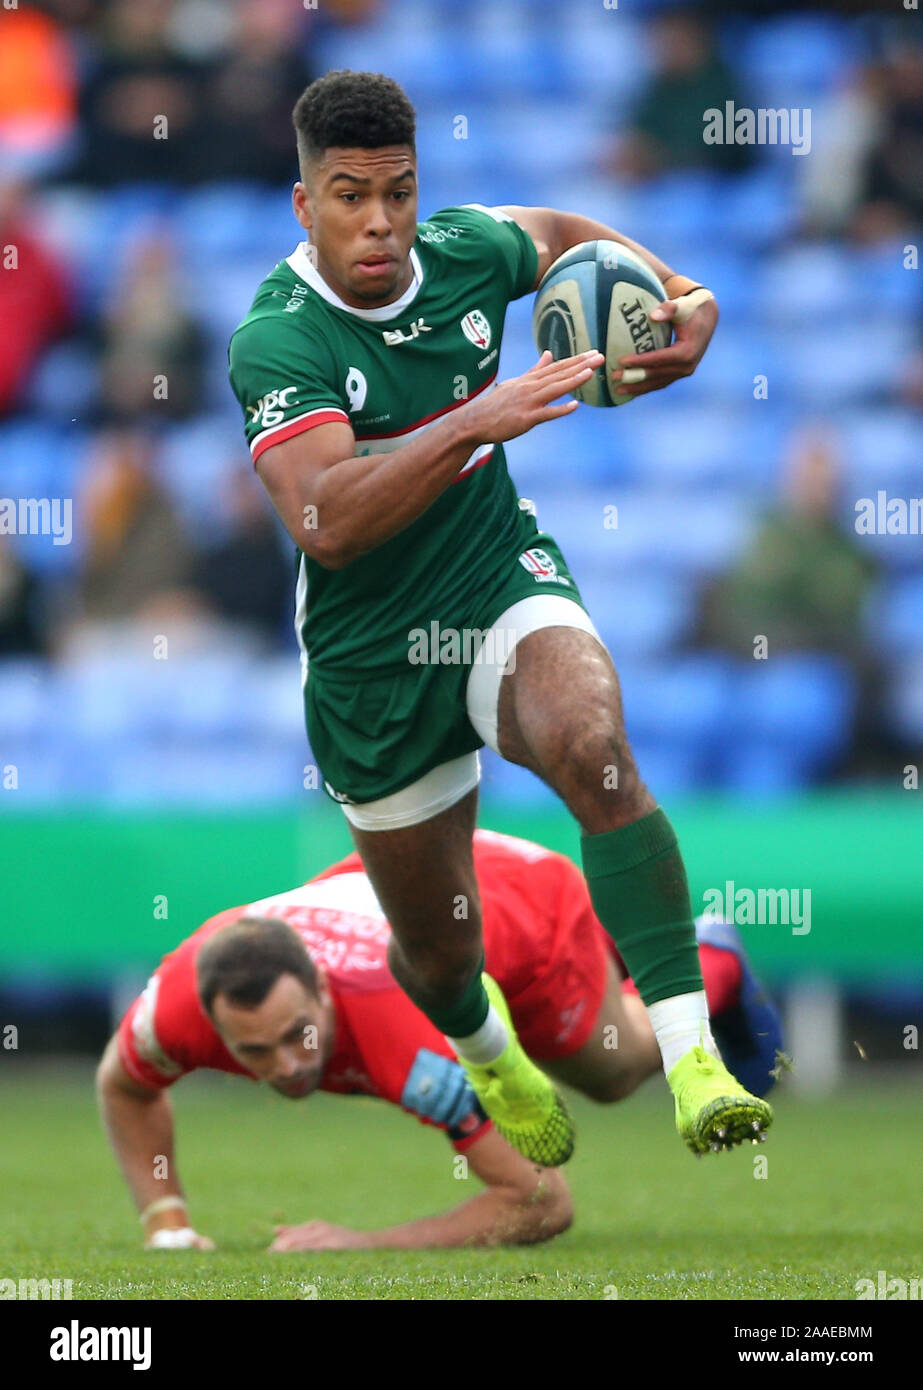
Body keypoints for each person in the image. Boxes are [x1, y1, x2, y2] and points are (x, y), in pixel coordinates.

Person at [227, 69, 770, 1169]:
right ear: (304, 205)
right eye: (347, 197)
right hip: (371, 660)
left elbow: (563, 230)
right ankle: (486, 1052)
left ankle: (689, 1056)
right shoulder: (277, 341)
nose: (378, 222)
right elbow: (326, 520)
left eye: (397, 192)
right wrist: (475, 418)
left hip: (493, 581)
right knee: (436, 949)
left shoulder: (468, 252)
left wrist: (685, 292)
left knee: (591, 739)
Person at [97, 829, 782, 1252]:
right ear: (211, 1029)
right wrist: (168, 1222)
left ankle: (708, 948)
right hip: (444, 899)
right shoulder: (177, 1005)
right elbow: (123, 1085)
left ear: (324, 989)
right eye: (254, 1051)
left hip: (527, 907)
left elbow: (542, 1201)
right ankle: (620, 950)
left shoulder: (402, 1029)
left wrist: (363, 1244)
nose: (289, 1066)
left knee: (614, 1070)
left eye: (299, 1034)